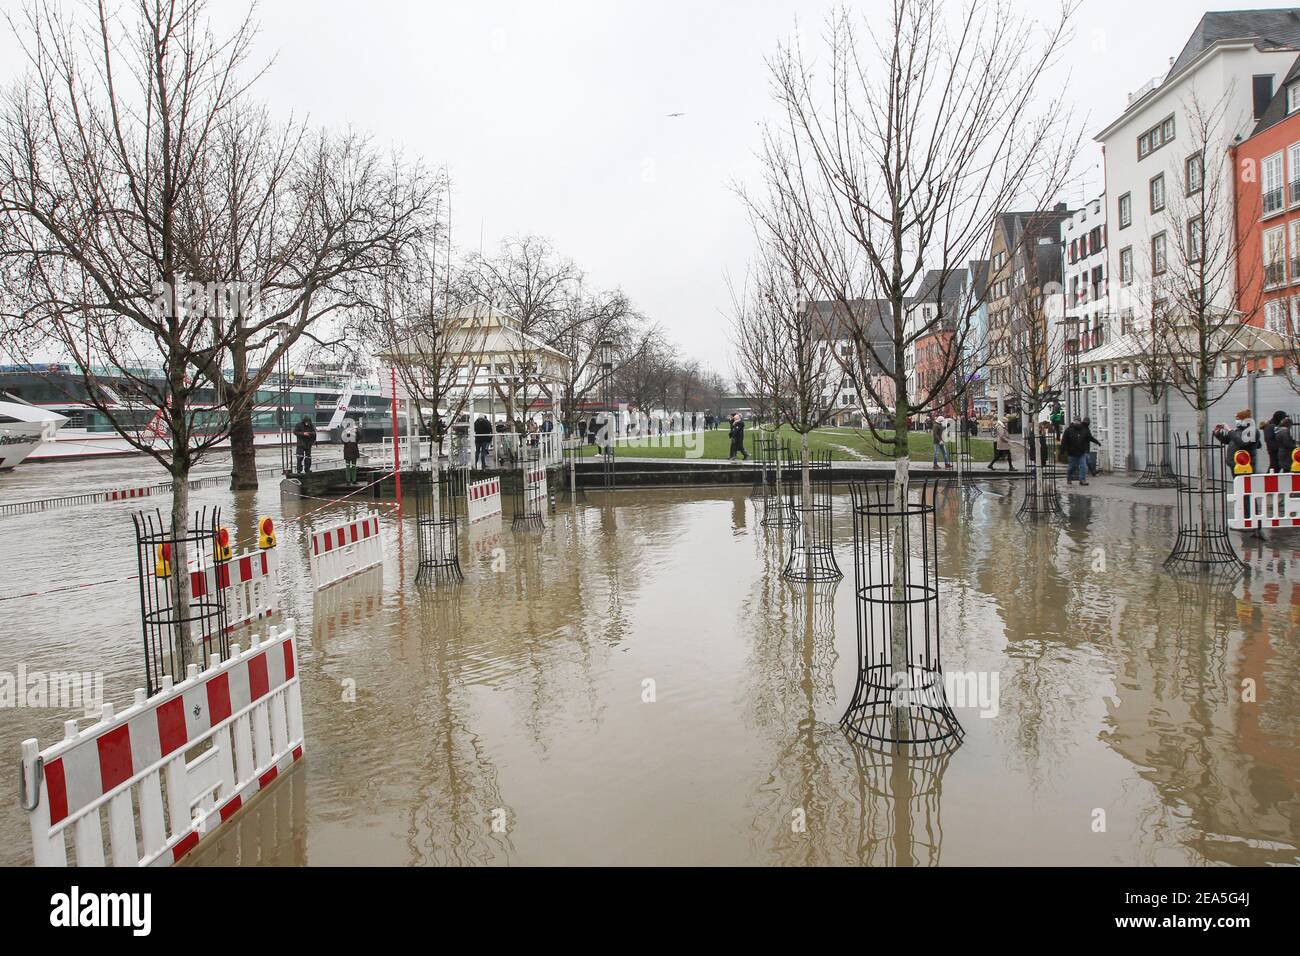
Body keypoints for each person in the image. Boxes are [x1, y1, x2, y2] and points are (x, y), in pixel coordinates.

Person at [1061, 417, 1100, 485]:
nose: (1077, 423)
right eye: (1075, 421)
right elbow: (1064, 441)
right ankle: (1069, 478)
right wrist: (1062, 451)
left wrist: (1097, 442)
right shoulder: (1068, 430)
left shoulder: (1084, 430)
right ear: (1073, 422)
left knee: (1083, 466)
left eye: (1078, 421)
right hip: (1072, 453)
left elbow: (1090, 437)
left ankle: (1082, 480)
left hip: (1082, 452)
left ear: (1080, 422)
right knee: (1072, 467)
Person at [340, 417, 360, 484]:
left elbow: (360, 437)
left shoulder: (355, 432)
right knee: (348, 467)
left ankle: (354, 480)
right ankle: (348, 480)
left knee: (353, 467)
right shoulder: (344, 433)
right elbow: (343, 441)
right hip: (347, 452)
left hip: (354, 451)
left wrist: (357, 431)